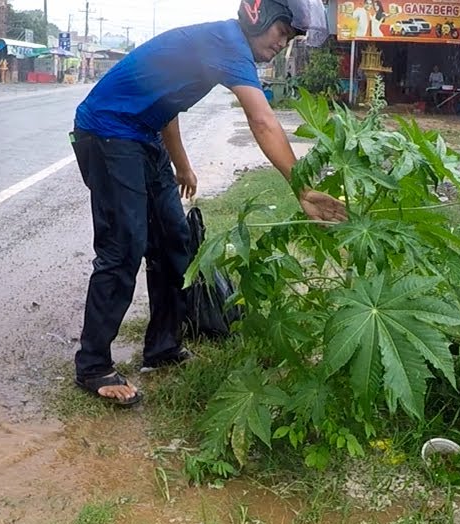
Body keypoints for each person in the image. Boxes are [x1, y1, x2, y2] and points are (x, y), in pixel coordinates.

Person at [69, 0, 347, 407]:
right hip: (106, 132)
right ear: (261, 15)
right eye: (283, 34)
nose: (282, 46)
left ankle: (162, 348)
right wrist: (302, 189)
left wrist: (181, 165)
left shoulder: (214, 45)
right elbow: (263, 120)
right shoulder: (228, 43)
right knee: (124, 245)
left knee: (174, 241)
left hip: (141, 136)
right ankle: (92, 364)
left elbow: (164, 104)